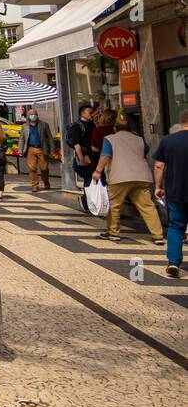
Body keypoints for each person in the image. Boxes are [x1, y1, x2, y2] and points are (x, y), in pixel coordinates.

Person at [91, 116, 165, 244]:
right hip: (142, 177)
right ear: (130, 129)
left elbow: (105, 156)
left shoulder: (110, 139)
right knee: (147, 206)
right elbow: (145, 151)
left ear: (115, 129)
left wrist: (98, 171)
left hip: (120, 177)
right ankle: (158, 235)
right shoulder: (139, 139)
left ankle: (113, 233)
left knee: (115, 205)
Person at [152, 108, 188, 277]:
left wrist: (158, 187)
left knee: (176, 226)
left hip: (175, 190)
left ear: (182, 121)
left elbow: (159, 166)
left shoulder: (168, 140)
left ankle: (173, 262)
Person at [20, 107, 54, 192]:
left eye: (34, 114)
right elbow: (22, 139)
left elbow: (50, 138)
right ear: (28, 116)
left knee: (44, 168)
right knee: (32, 168)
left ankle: (46, 181)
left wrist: (52, 150)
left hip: (41, 148)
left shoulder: (44, 124)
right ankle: (35, 185)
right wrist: (20, 150)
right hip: (30, 149)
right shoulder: (24, 126)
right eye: (31, 114)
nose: (33, 116)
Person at [66, 103, 97, 188]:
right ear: (82, 114)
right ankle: (86, 199)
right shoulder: (77, 126)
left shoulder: (92, 125)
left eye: (92, 112)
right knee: (88, 178)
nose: (92, 114)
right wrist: (81, 158)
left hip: (94, 155)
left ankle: (92, 199)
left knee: (95, 178)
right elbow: (77, 145)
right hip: (85, 156)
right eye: (90, 112)